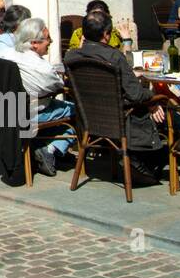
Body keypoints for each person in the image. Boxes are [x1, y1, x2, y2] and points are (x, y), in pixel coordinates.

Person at [65, 11, 168, 183]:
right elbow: (135, 94)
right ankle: (147, 158)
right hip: (119, 118)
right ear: (106, 35)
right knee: (164, 105)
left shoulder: (71, 56)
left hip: (89, 118)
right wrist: (154, 98)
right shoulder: (114, 56)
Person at [5, 18, 76, 176]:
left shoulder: (5, 54)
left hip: (2, 112)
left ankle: (42, 144)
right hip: (29, 115)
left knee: (55, 105)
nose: (50, 42)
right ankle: (51, 148)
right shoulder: (41, 68)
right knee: (79, 111)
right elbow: (58, 85)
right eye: (48, 39)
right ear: (34, 43)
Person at [67, 0, 136, 50]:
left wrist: (126, 40)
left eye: (101, 16)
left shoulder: (116, 34)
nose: (97, 20)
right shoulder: (79, 34)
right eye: (94, 15)